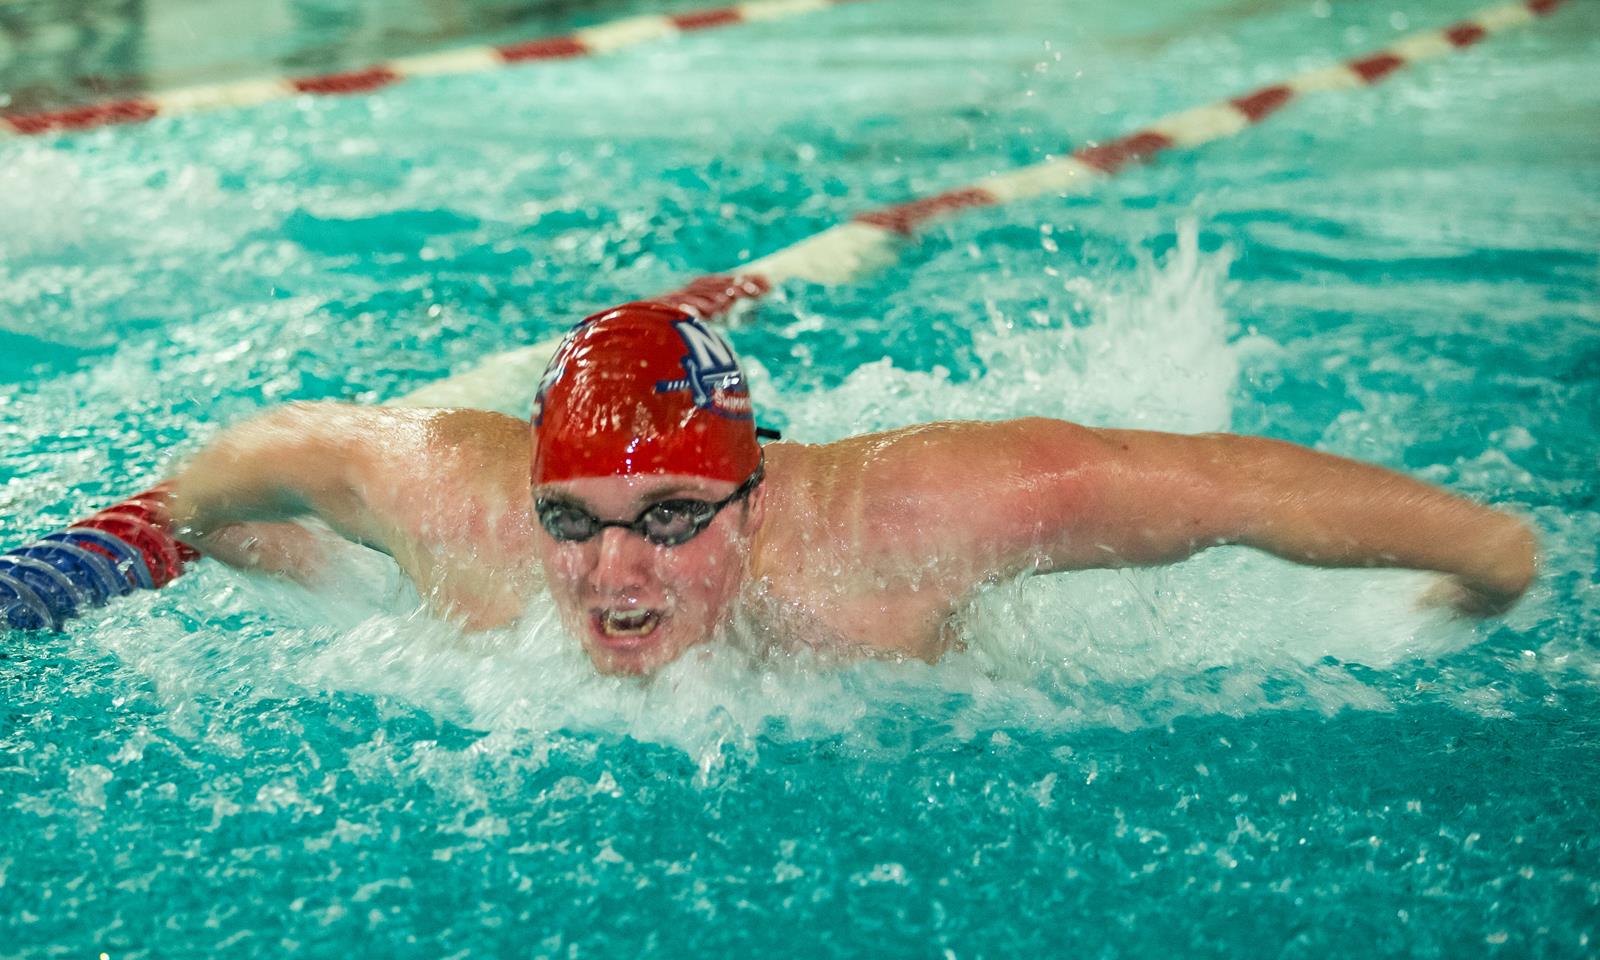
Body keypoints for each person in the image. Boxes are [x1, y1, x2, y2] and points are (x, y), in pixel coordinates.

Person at [166, 302, 1537, 675]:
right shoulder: (462, 502)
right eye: (570, 520)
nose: (612, 577)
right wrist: (231, 536)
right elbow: (259, 456)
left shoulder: (904, 526)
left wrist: (1483, 553)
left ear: (752, 503)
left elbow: (1217, 484)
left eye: (668, 523)